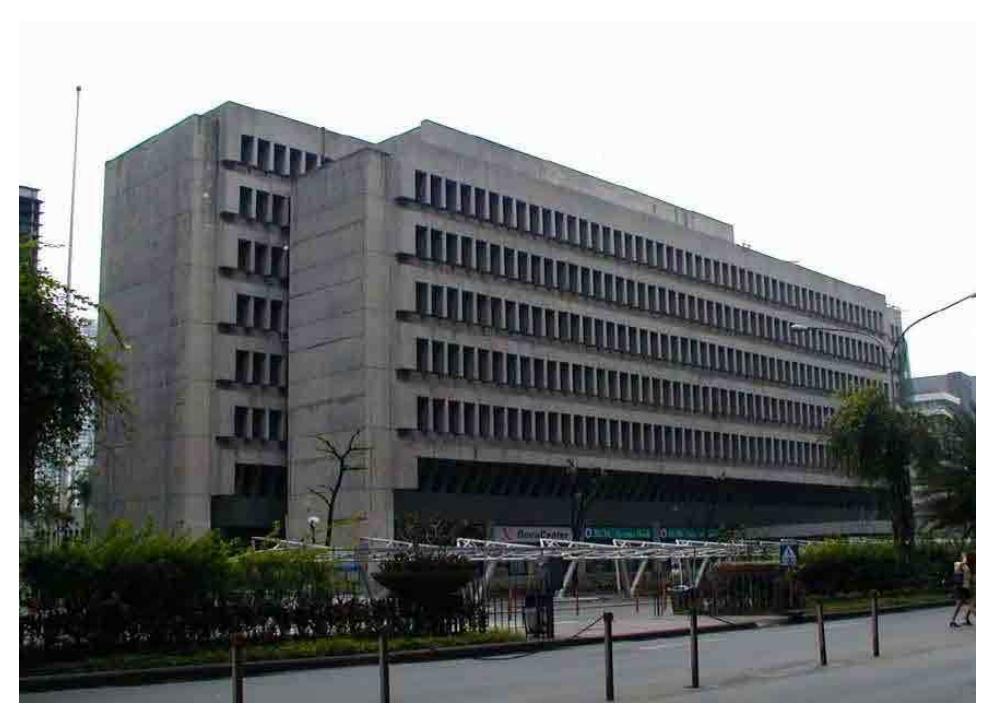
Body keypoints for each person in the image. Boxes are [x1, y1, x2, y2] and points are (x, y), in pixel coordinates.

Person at [950, 552, 973, 627]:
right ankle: (953, 621)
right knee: (968, 604)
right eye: (964, 556)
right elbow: (958, 568)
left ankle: (965, 619)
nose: (966, 558)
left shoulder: (966, 566)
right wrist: (963, 561)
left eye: (966, 556)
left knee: (969, 603)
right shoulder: (957, 563)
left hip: (966, 587)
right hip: (960, 588)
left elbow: (968, 576)